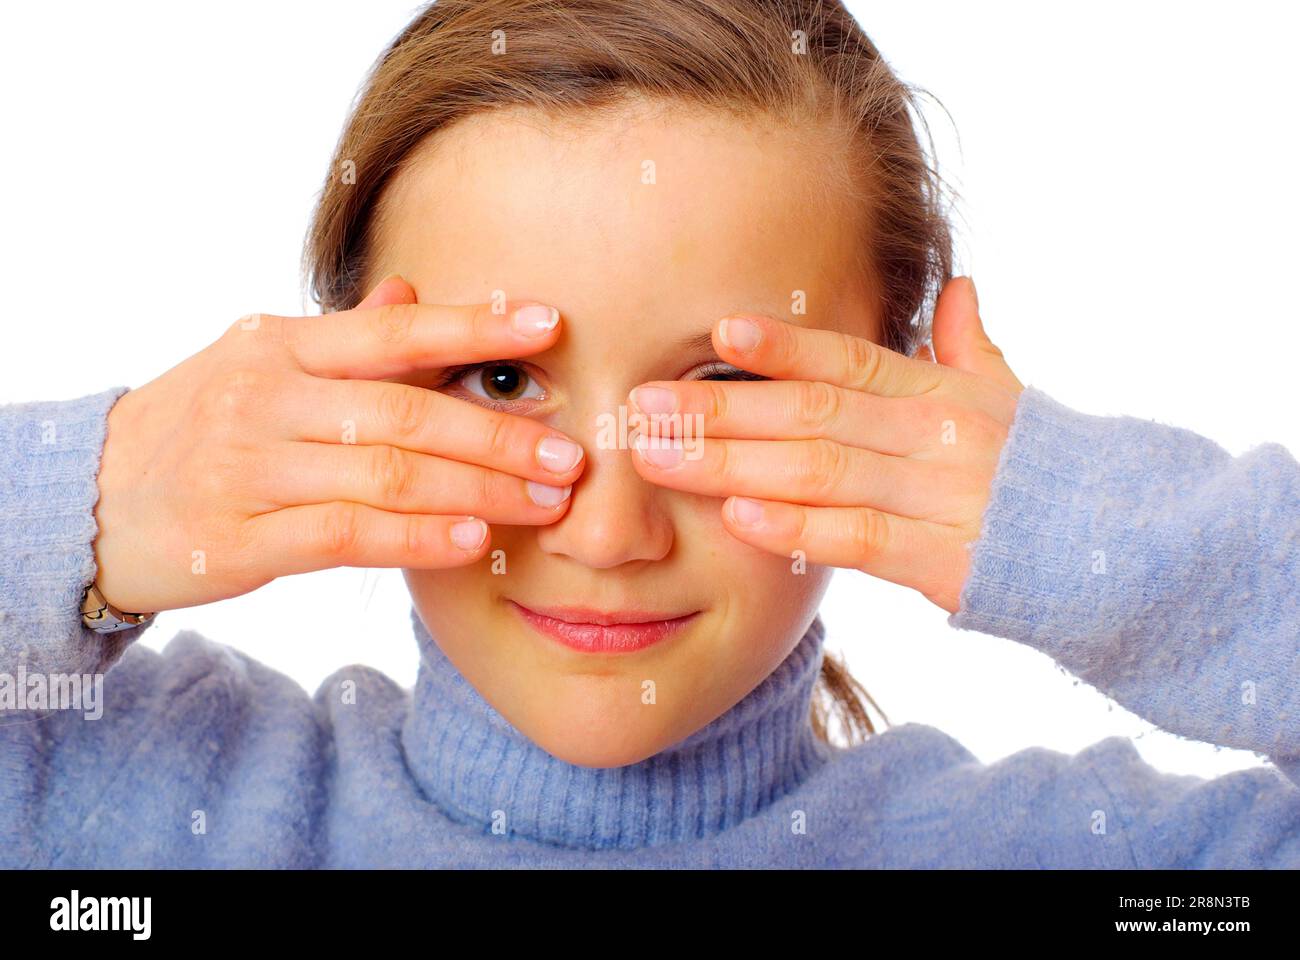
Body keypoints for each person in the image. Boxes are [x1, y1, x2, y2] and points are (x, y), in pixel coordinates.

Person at [2, 0, 1297, 868]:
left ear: (902, 397)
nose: (611, 534)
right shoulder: (142, 817)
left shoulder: (1074, 860)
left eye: (725, 389)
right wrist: (99, 503)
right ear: (342, 374)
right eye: (501, 379)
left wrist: (1121, 547)